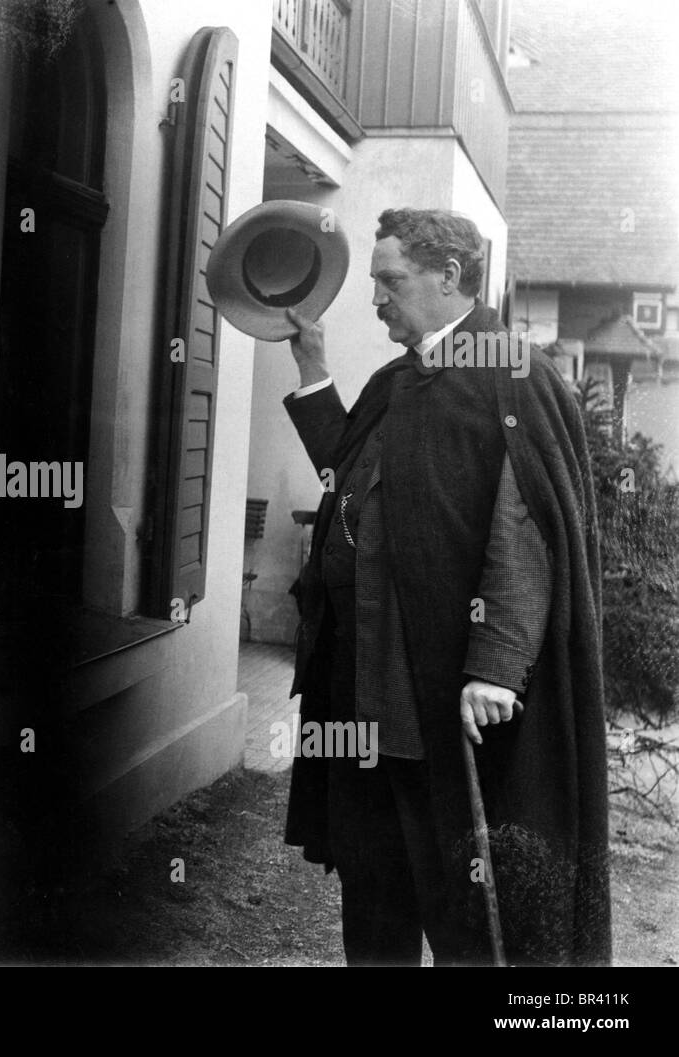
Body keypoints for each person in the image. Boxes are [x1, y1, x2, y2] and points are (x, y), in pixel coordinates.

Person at [281, 207, 610, 965]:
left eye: (390, 281)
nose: (375, 298)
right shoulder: (396, 381)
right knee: (373, 889)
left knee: (464, 905)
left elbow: (524, 529)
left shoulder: (512, 375)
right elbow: (348, 483)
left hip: (450, 700)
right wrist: (312, 369)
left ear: (450, 276)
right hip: (363, 687)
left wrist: (495, 666)